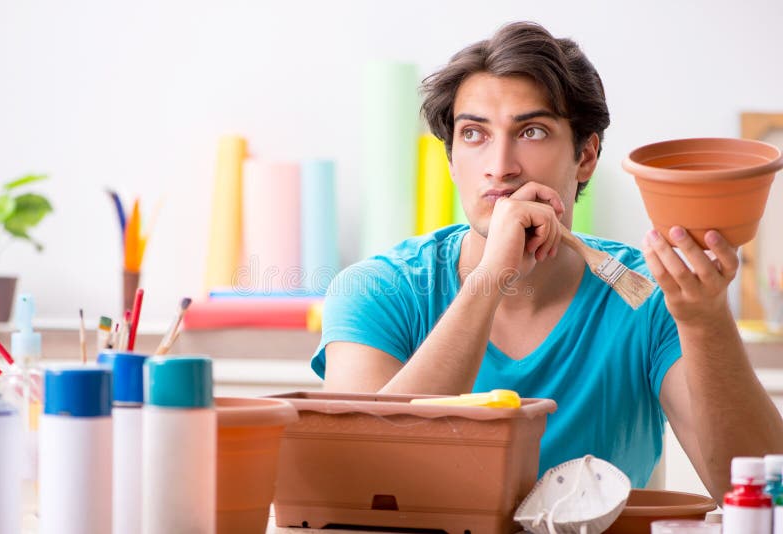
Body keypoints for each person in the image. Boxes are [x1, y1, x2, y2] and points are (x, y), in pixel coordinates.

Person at [310, 21, 783, 499]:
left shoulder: (649, 299)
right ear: (451, 160)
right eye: (474, 134)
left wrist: (706, 321)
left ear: (587, 156)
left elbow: (762, 493)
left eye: (532, 131)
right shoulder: (374, 288)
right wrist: (490, 280)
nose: (500, 165)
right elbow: (360, 476)